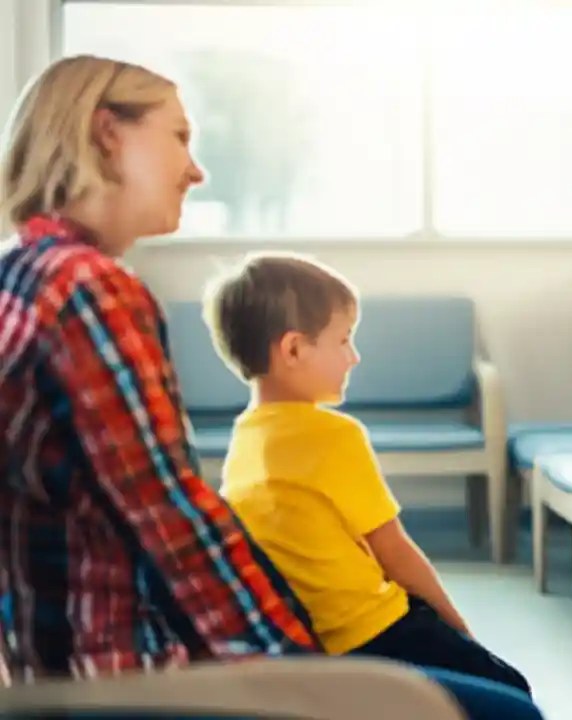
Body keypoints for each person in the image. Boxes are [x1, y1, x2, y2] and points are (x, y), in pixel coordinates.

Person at [0, 54, 542, 720]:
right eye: (179, 137)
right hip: (122, 669)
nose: (195, 170)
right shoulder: (90, 290)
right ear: (108, 134)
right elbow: (175, 528)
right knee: (507, 712)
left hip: (48, 662)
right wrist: (300, 674)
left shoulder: (19, 273)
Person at [205, 252, 533, 698]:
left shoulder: (243, 441)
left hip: (319, 647)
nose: (354, 357)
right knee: (513, 691)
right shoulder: (334, 435)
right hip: (379, 631)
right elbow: (395, 554)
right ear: (294, 349)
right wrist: (460, 631)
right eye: (343, 341)